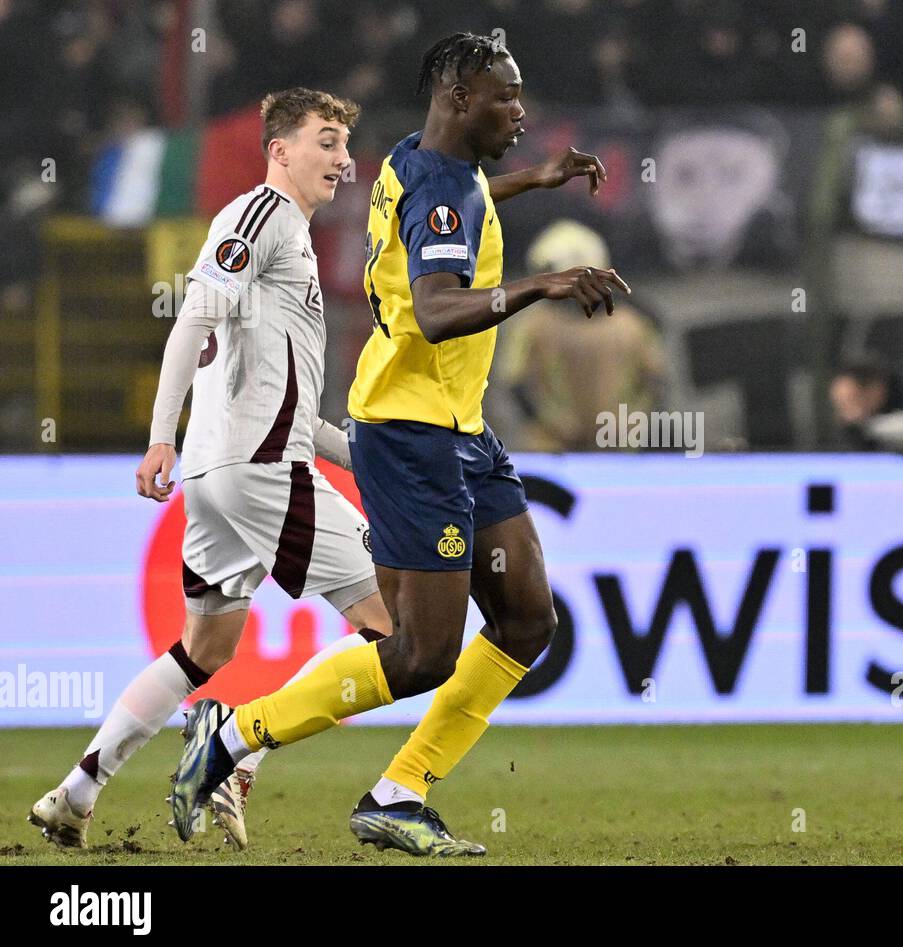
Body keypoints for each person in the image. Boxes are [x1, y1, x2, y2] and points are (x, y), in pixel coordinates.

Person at [169, 32, 630, 858]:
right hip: (409, 434)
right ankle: (235, 734)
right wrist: (544, 283)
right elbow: (436, 310)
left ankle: (398, 793)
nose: (521, 112)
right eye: (505, 96)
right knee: (421, 655)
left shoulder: (415, 158)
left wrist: (537, 178)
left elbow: (461, 197)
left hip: (457, 426)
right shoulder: (439, 191)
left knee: (528, 619)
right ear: (459, 98)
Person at [29, 88, 390, 852]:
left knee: (203, 649)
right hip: (259, 466)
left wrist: (373, 454)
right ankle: (237, 753)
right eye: (325, 141)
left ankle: (76, 789)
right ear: (280, 150)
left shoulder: (291, 240)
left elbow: (290, 403)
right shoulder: (258, 217)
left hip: (223, 471)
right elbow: (191, 321)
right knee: (398, 627)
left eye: (344, 144)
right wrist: (159, 435)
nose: (343, 158)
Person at [499, 220, 664, 450]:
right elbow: (517, 385)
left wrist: (631, 423)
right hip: (557, 451)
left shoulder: (629, 326)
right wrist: (554, 422)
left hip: (612, 452)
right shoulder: (535, 326)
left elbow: (655, 384)